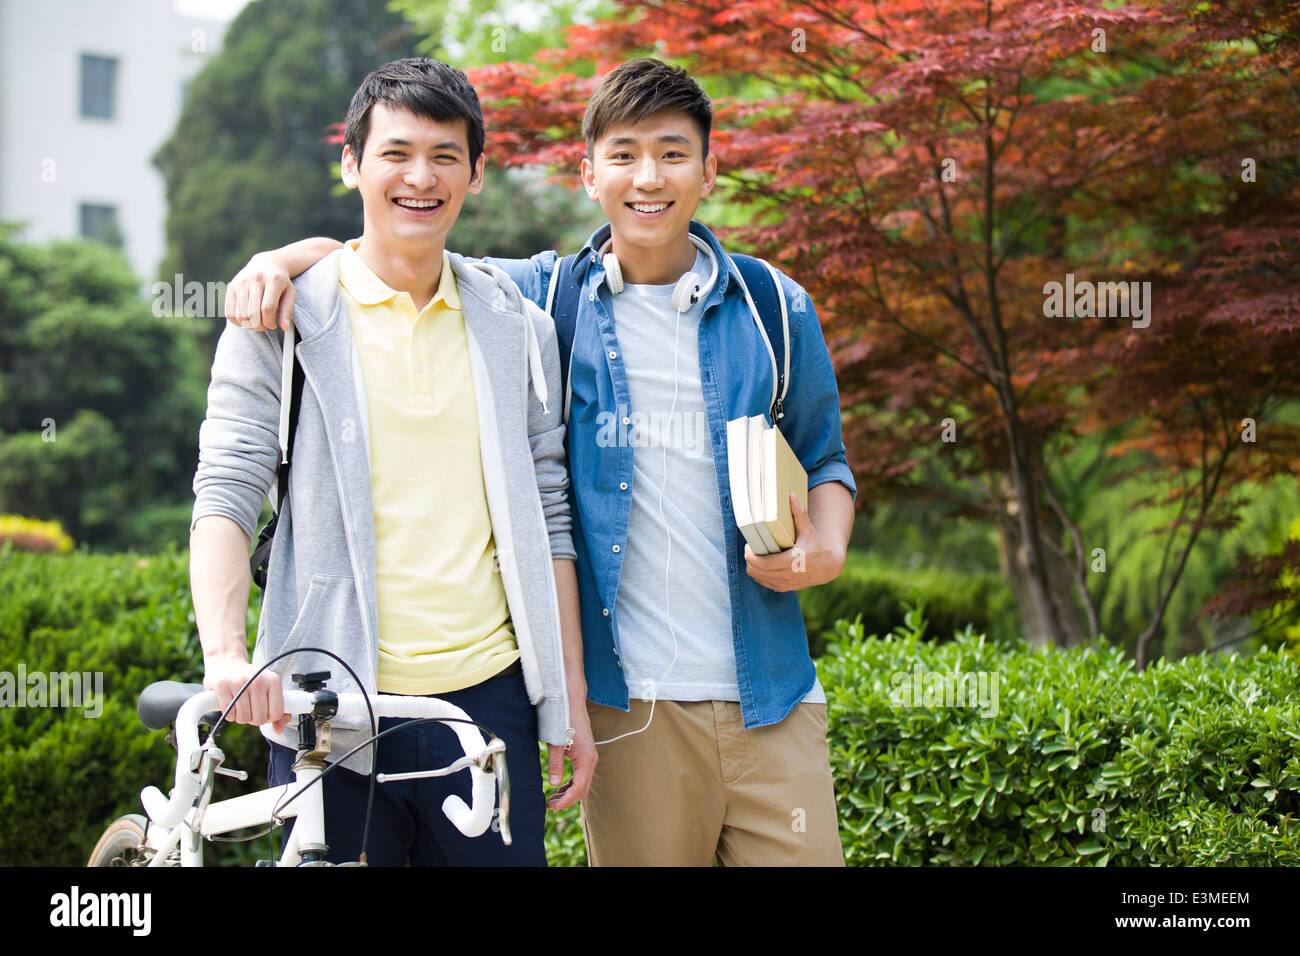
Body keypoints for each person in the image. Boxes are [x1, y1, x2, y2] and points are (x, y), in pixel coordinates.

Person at [224, 57, 855, 866]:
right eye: (623, 155)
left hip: (774, 695)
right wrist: (283, 260)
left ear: (710, 167)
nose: (648, 178)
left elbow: (826, 456)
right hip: (631, 710)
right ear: (587, 174)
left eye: (672, 152)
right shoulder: (540, 304)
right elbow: (403, 245)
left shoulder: (775, 306)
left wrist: (828, 546)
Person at [190, 57, 595, 867]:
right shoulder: (281, 318)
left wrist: (568, 702)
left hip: (491, 706)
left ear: (477, 174)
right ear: (352, 163)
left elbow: (550, 513)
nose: (421, 177)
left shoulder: (515, 323)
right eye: (397, 153)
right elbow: (226, 491)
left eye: (446, 156)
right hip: (325, 701)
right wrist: (227, 653)